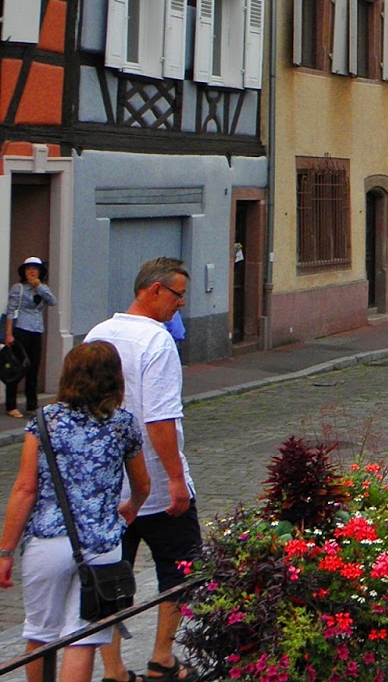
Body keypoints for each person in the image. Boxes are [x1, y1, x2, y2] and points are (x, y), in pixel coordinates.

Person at [0, 341, 150, 682]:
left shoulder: (43, 421)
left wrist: (5, 551)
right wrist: (130, 509)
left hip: (47, 541)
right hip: (101, 546)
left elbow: (25, 489)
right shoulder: (123, 424)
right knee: (82, 638)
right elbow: (142, 485)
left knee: (40, 634)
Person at [86, 258, 200, 682]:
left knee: (112, 578)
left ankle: (114, 671)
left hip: (106, 486)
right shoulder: (157, 342)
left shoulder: (99, 332)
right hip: (152, 485)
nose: (180, 305)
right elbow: (160, 418)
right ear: (153, 290)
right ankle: (161, 658)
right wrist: (175, 478)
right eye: (177, 295)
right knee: (181, 568)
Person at [6, 257, 56, 419]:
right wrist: (9, 333)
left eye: (35, 269)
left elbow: (52, 301)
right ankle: (11, 405)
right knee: (17, 368)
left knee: (33, 368)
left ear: (40, 272)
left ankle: (31, 405)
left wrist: (39, 287)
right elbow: (11, 310)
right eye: (29, 269)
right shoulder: (18, 288)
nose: (32, 272)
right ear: (24, 272)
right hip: (21, 329)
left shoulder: (42, 288)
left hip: (37, 330)